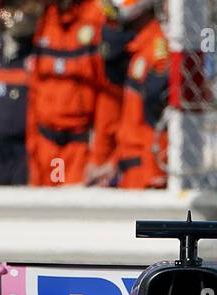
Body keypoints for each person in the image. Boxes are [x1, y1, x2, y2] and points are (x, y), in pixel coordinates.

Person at [84, 0, 167, 189]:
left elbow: (154, 129)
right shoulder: (137, 50)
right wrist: (111, 164)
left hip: (147, 175)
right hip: (129, 171)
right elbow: (131, 126)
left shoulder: (156, 54)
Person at [26, 0, 109, 186]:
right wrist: (32, 149)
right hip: (44, 147)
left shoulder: (98, 17)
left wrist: (98, 157)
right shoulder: (46, 18)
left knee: (70, 212)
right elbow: (36, 88)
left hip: (79, 148)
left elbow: (107, 96)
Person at [0, 0, 39, 185]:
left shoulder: (40, 55)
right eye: (12, 9)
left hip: (28, 149)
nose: (18, 15)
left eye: (23, 8)